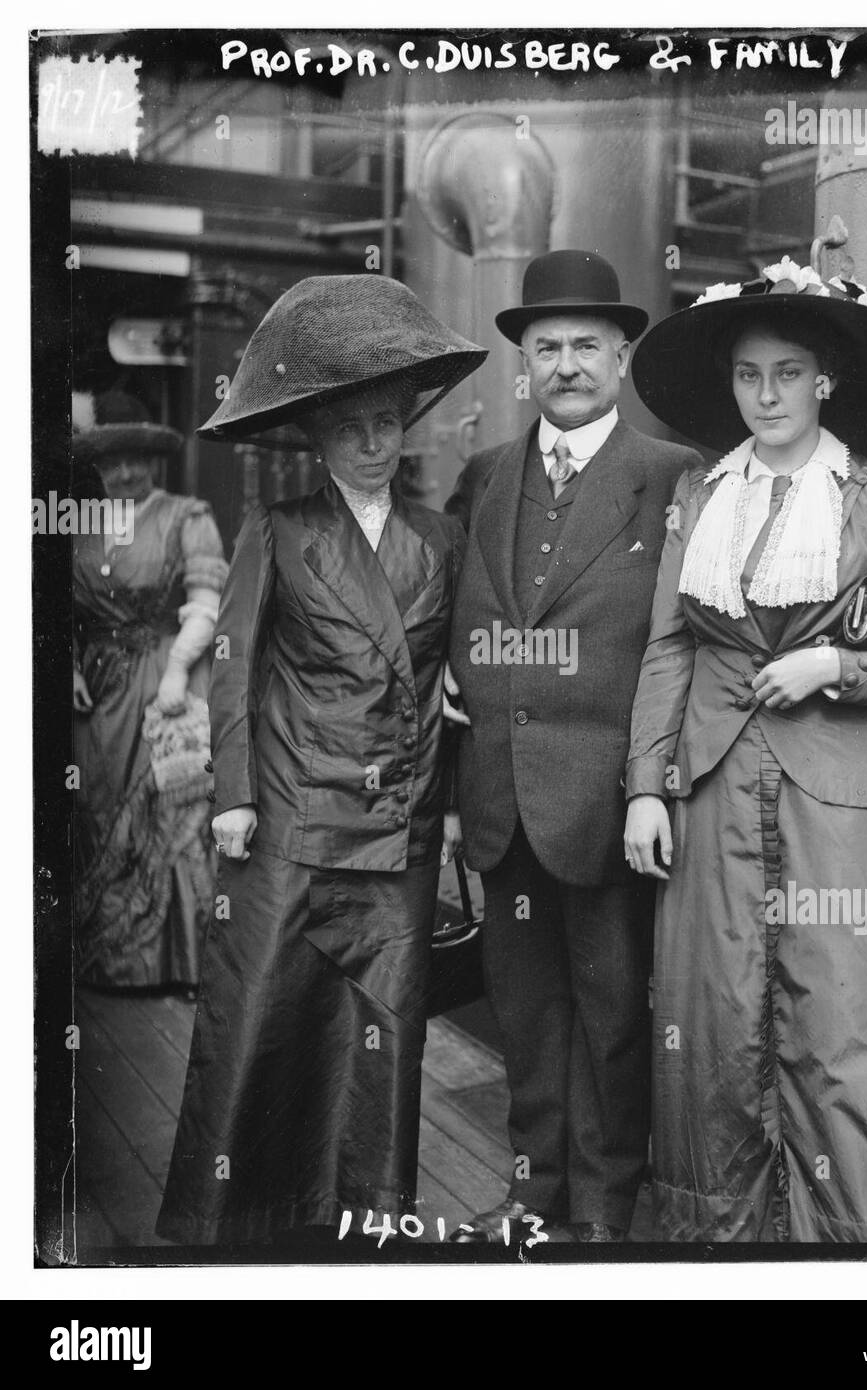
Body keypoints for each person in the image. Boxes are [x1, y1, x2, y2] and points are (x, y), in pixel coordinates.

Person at [624, 257, 867, 1242]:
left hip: (834, 792)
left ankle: (856, 1256)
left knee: (845, 1026)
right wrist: (645, 786)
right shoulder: (701, 489)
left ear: (826, 379)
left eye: (787, 372)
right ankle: (722, 1245)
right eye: (746, 374)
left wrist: (833, 671)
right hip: (711, 784)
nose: (765, 395)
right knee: (712, 1026)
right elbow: (669, 643)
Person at [156, 276, 486, 1249]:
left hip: (402, 825)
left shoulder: (442, 538)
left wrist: (456, 774)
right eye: (354, 428)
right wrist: (232, 794)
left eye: (388, 423)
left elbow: (453, 670)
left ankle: (366, 1220)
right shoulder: (279, 530)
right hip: (296, 817)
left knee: (384, 1030)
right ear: (320, 438)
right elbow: (232, 665)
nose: (375, 444)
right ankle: (233, 1213)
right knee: (262, 1012)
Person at [445, 250, 705, 1243]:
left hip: (606, 806)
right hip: (503, 801)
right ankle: (532, 1197)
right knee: (525, 1017)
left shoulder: (668, 475)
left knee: (612, 1022)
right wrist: (439, 667)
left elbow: (683, 642)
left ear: (621, 352)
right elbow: (453, 607)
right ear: (523, 362)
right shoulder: (483, 478)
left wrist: (652, 782)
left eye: (585, 346)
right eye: (545, 347)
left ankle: (601, 1216)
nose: (564, 364)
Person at [73, 391, 228, 990]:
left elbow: (205, 604)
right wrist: (66, 666)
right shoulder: (77, 522)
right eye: (112, 460)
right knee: (97, 807)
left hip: (167, 673)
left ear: (154, 460)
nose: (125, 471)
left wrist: (177, 670)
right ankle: (108, 963)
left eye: (137, 458)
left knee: (177, 812)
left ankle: (183, 965)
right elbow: (51, 609)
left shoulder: (186, 515)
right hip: (97, 687)